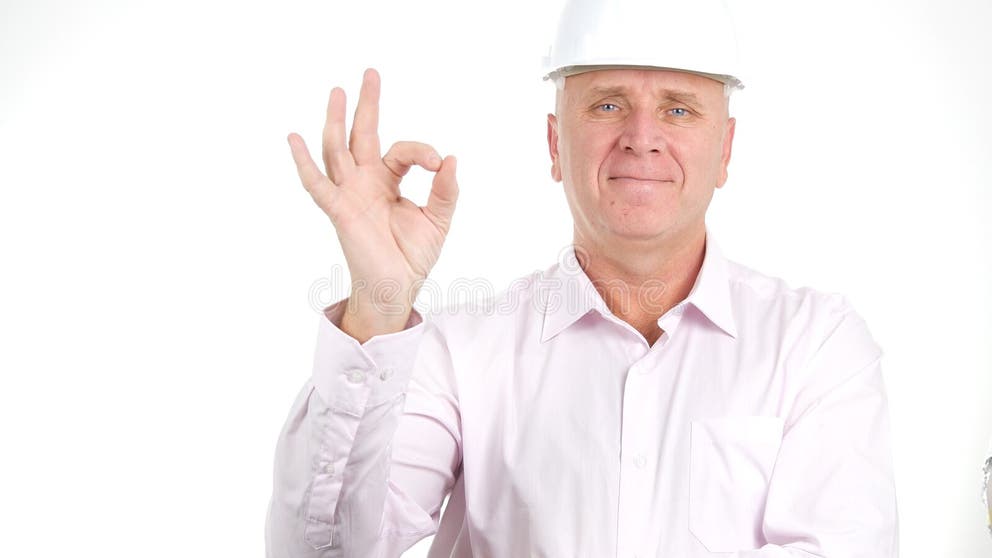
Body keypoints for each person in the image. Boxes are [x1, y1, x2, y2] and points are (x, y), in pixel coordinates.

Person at [265, 0, 898, 556]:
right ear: (554, 144)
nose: (642, 138)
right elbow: (321, 553)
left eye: (679, 110)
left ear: (725, 150)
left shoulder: (816, 345)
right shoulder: (462, 354)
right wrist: (378, 308)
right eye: (607, 104)